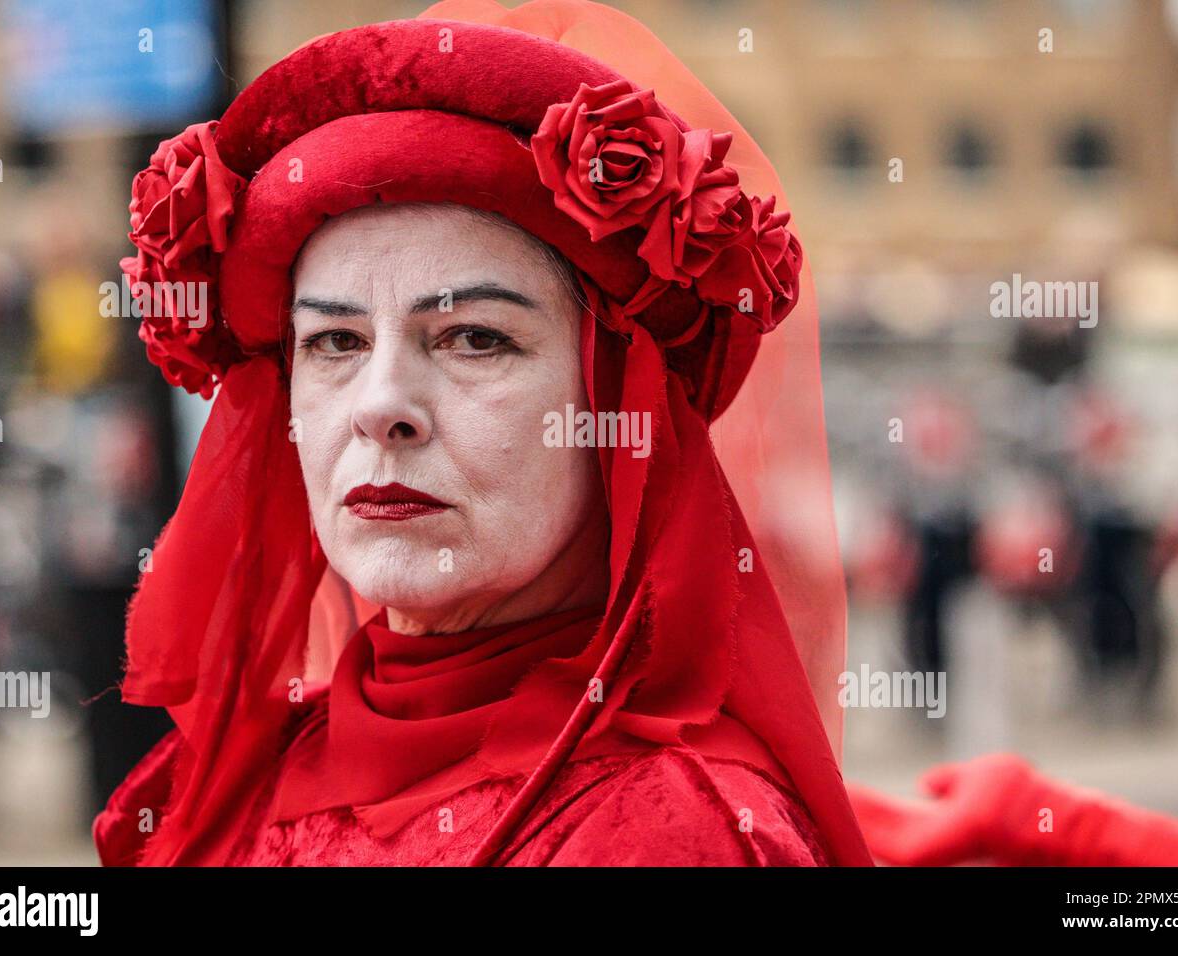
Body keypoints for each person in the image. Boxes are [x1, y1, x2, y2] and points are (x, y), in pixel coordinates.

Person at [94, 0, 873, 867]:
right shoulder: (241, 779)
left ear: (618, 410)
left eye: (476, 338)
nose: (381, 404)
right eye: (335, 343)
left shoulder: (665, 831)